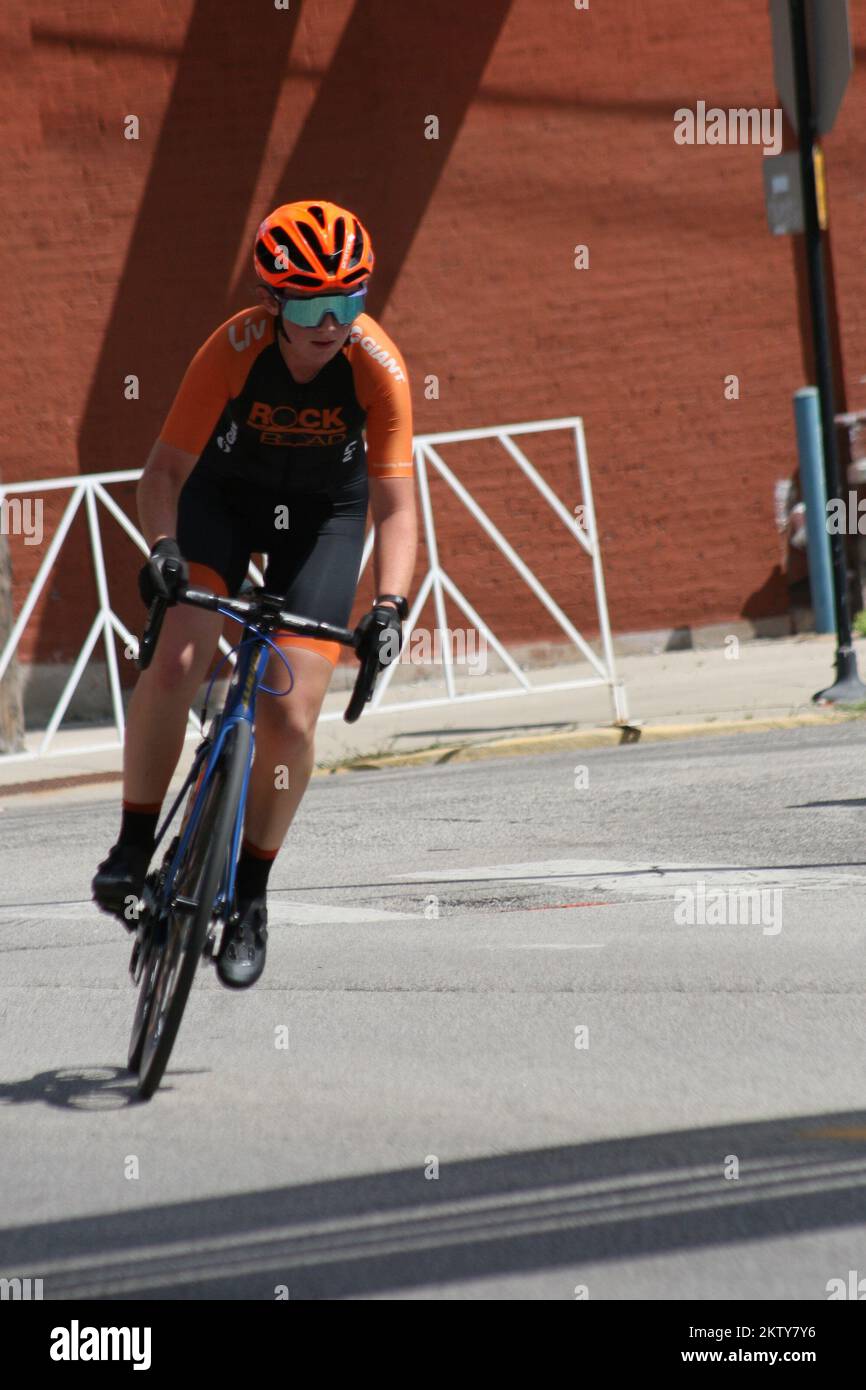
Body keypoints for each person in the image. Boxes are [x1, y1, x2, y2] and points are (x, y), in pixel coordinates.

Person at [91, 200, 416, 988]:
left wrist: (390, 610)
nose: (331, 322)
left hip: (324, 521)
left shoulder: (377, 367)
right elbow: (163, 474)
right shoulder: (232, 349)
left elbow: (397, 507)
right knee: (177, 662)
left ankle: (250, 898)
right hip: (221, 503)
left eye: (349, 302)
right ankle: (133, 846)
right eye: (311, 304)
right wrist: (164, 551)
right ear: (273, 301)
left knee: (291, 712)